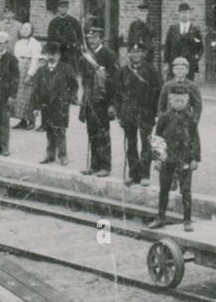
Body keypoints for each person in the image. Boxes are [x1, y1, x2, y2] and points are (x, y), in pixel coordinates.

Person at [149, 90, 200, 231]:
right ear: (170, 101)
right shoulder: (164, 118)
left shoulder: (190, 118)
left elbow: (195, 139)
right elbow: (157, 138)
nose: (178, 103)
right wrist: (158, 159)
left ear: (186, 102)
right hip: (167, 159)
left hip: (184, 159)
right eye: (175, 100)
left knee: (186, 190)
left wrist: (195, 158)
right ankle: (160, 217)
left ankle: (187, 220)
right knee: (164, 189)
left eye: (182, 101)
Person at [113, 42, 162, 185]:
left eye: (139, 51)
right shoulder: (122, 71)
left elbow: (159, 91)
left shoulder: (151, 70)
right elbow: (117, 93)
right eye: (132, 52)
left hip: (146, 113)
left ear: (144, 53)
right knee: (131, 144)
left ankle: (145, 175)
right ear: (128, 54)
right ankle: (133, 174)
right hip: (128, 114)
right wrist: (119, 113)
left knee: (146, 144)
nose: (135, 55)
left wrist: (156, 112)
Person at [78, 24, 116, 178]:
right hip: (89, 99)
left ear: (101, 39)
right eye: (89, 38)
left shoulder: (108, 54)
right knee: (92, 132)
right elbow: (85, 81)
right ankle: (94, 166)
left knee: (103, 133)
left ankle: (105, 166)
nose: (91, 41)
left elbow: (113, 81)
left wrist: (112, 103)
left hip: (103, 100)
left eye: (94, 38)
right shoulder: (86, 55)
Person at [31, 41, 77, 166]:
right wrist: (35, 106)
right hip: (46, 105)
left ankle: (62, 155)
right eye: (48, 54)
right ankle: (50, 155)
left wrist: (68, 98)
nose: (51, 57)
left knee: (60, 130)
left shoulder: (66, 69)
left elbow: (74, 86)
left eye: (54, 54)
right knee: (49, 130)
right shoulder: (41, 70)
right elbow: (35, 89)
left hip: (60, 105)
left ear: (59, 55)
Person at [11, 22, 42, 130]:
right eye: (23, 29)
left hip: (29, 68)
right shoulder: (18, 43)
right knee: (20, 96)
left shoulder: (35, 43)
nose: (24, 31)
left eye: (27, 29)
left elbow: (35, 60)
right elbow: (15, 58)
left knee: (29, 96)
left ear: (31, 30)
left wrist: (30, 74)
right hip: (19, 68)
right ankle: (22, 120)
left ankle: (31, 121)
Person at [163, 2, 204, 79]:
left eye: (186, 13)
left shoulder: (195, 30)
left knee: (188, 86)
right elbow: (167, 46)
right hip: (174, 63)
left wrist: (196, 58)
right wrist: (166, 62)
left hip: (189, 65)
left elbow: (201, 48)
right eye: (182, 13)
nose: (184, 15)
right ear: (179, 14)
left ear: (190, 14)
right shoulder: (172, 29)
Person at [158, 56, 203, 123]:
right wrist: (162, 120)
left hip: (185, 122)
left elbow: (197, 107)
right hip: (169, 122)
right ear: (173, 70)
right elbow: (161, 105)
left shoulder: (192, 86)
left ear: (187, 71)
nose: (179, 71)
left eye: (182, 69)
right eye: (177, 69)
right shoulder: (167, 86)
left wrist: (194, 122)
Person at [47, 0, 84, 69]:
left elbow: (80, 36)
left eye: (65, 7)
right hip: (58, 51)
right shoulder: (53, 22)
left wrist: (75, 45)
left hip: (70, 51)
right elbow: (50, 38)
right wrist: (52, 50)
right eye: (61, 7)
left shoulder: (73, 21)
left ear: (67, 8)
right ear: (58, 8)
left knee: (70, 70)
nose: (63, 9)